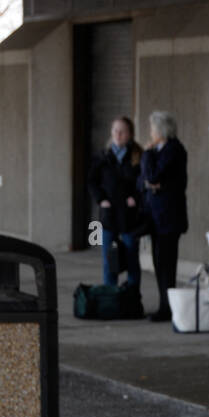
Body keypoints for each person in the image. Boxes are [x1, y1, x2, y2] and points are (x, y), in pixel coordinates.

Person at [140, 111, 188, 322]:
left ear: (161, 130)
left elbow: (152, 175)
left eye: (152, 128)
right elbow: (143, 180)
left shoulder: (173, 149)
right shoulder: (161, 150)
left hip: (169, 218)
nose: (150, 133)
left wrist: (147, 154)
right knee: (158, 263)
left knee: (167, 264)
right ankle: (164, 305)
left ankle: (167, 308)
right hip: (156, 217)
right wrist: (152, 184)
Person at [87, 116, 143, 288]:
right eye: (115, 131)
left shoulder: (138, 156)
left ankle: (133, 297)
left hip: (129, 216)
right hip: (108, 215)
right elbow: (91, 181)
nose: (118, 134)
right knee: (109, 259)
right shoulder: (103, 156)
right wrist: (101, 200)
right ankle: (111, 296)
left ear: (130, 134)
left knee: (131, 257)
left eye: (122, 131)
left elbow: (143, 181)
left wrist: (136, 197)